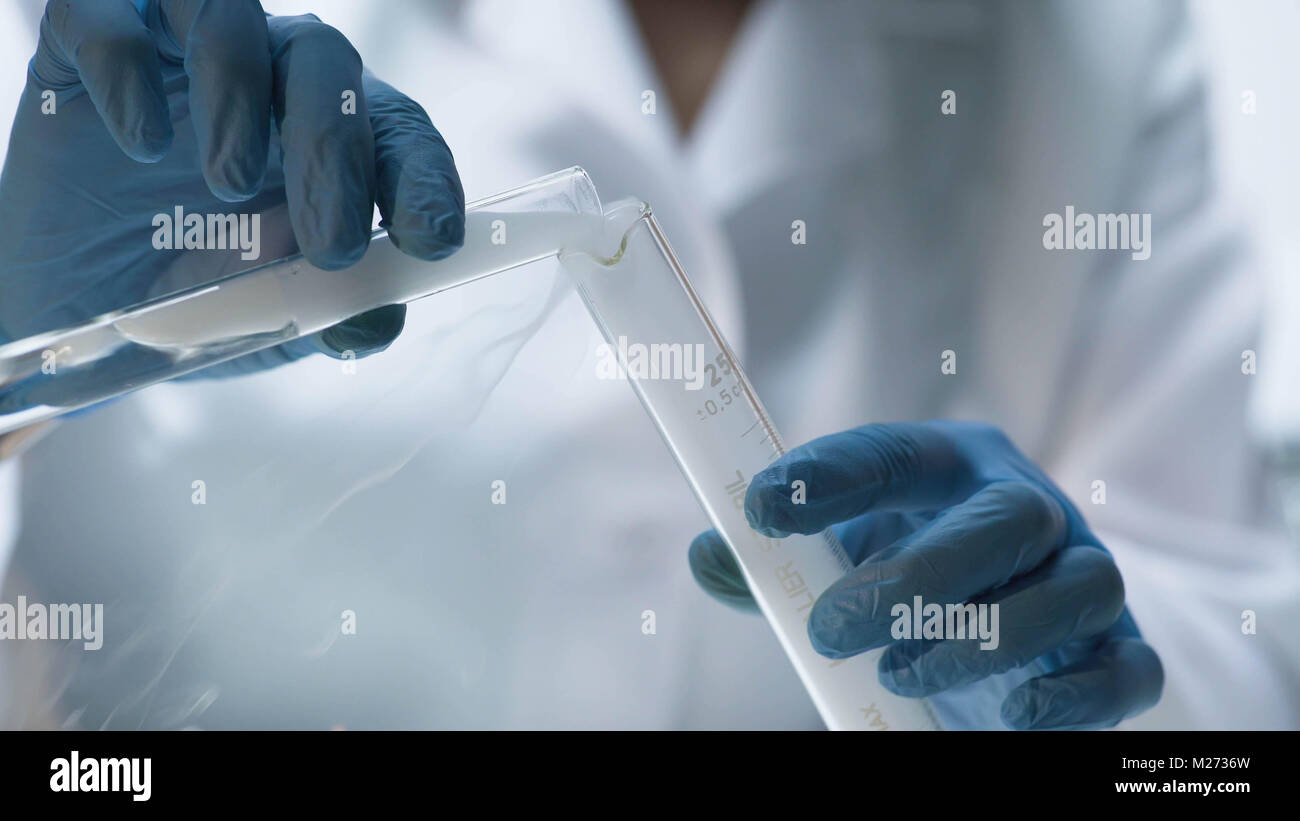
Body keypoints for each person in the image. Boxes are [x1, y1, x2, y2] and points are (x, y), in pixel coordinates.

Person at [0, 0, 1296, 729]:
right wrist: (13, 345)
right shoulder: (129, 41)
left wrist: (1092, 678)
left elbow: (1228, 644)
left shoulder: (1093, 47)